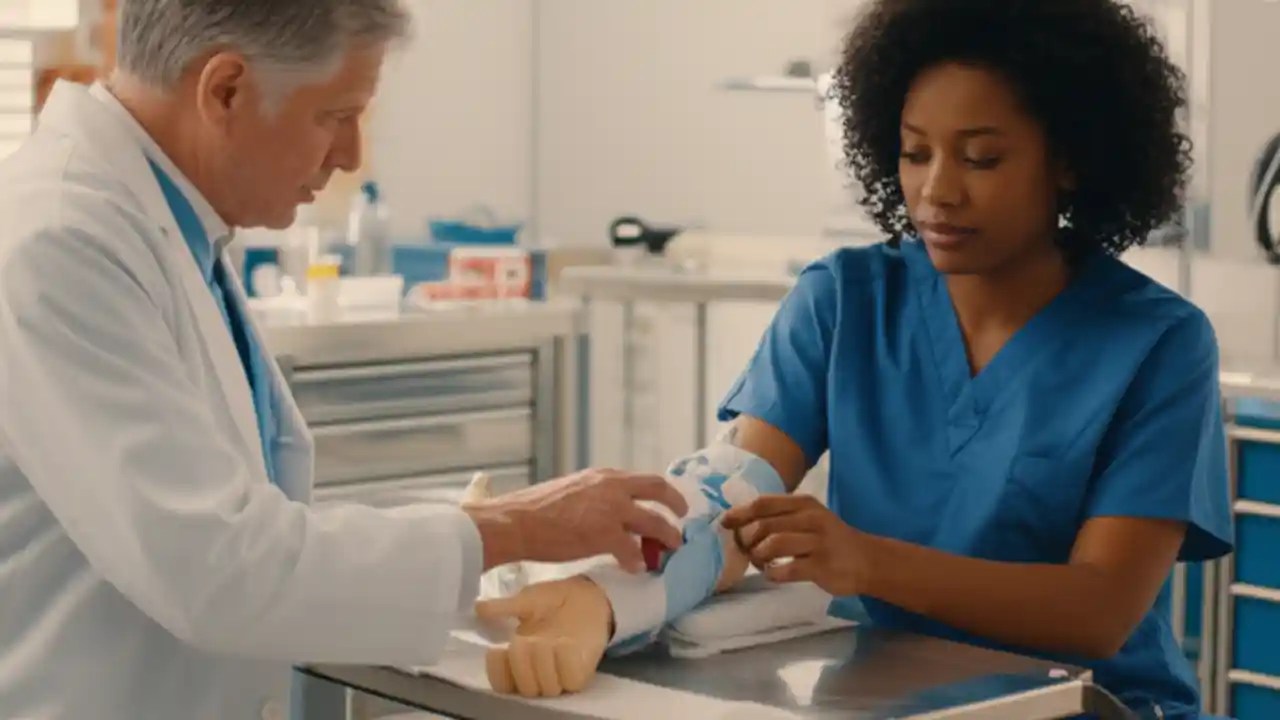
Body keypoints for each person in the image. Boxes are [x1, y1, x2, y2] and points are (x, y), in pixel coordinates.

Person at [478, 1, 1232, 717]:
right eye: (914, 152)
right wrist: (603, 600)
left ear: (1068, 159)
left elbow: (1099, 610)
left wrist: (867, 563)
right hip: (889, 699)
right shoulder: (845, 301)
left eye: (982, 158)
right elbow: (729, 493)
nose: (937, 190)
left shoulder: (1156, 343)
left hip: (1087, 707)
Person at [0, 2, 689, 719]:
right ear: (225, 90)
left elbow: (240, 522)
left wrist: (487, 530)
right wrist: (513, 528)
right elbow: (217, 567)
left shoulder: (167, 225)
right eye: (336, 115)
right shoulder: (61, 240)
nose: (351, 155)